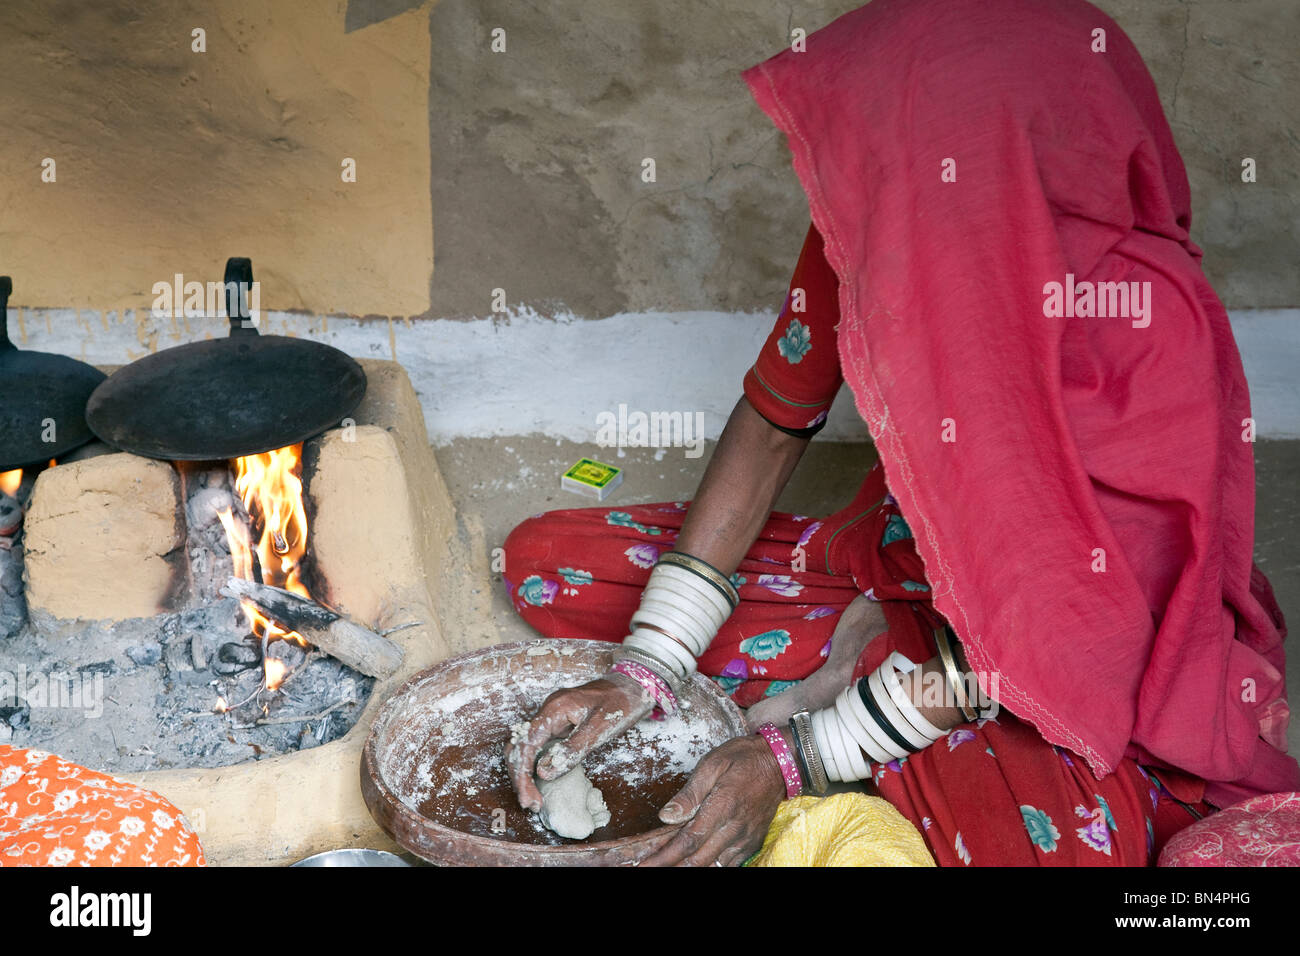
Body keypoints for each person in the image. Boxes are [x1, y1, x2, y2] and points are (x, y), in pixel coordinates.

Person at [504, 0, 1300, 866]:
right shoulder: (887, 218)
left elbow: (1040, 644)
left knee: (1059, 848)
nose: (884, 196)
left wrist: (799, 757)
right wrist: (646, 668)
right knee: (549, 564)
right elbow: (777, 418)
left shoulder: (1150, 332)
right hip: (896, 576)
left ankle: (860, 695)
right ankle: (861, 661)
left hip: (1047, 668)